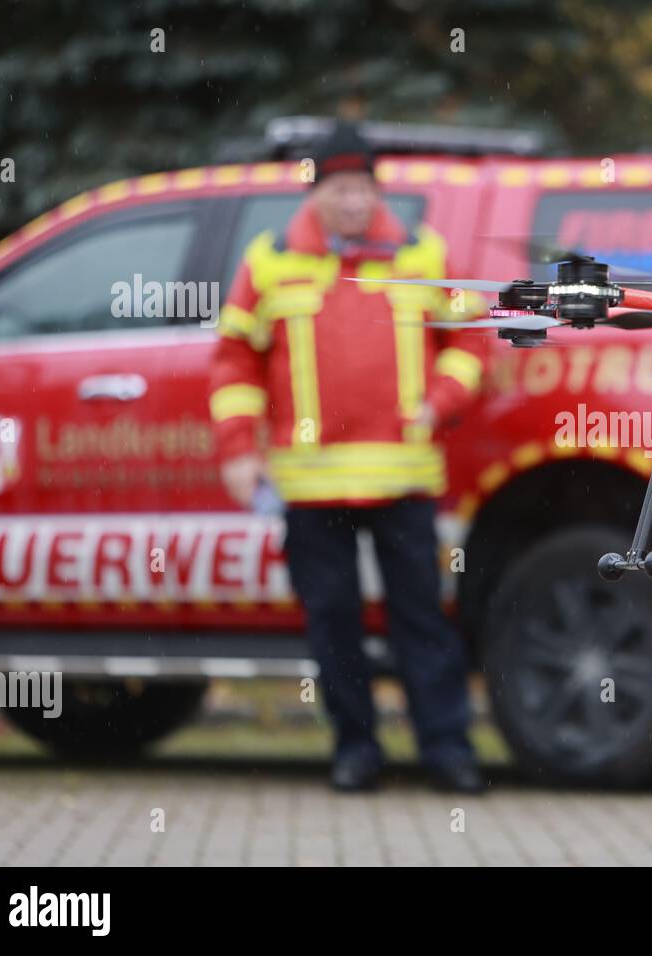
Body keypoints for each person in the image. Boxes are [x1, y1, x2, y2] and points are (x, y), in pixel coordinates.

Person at [208, 122, 486, 793]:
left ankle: (448, 752)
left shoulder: (421, 254)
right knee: (332, 623)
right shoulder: (271, 260)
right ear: (317, 193)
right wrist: (239, 451)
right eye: (340, 189)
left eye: (363, 188)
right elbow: (234, 361)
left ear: (376, 189)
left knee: (421, 622)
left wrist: (440, 401)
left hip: (403, 475)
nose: (354, 202)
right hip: (309, 485)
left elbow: (473, 342)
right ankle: (356, 749)